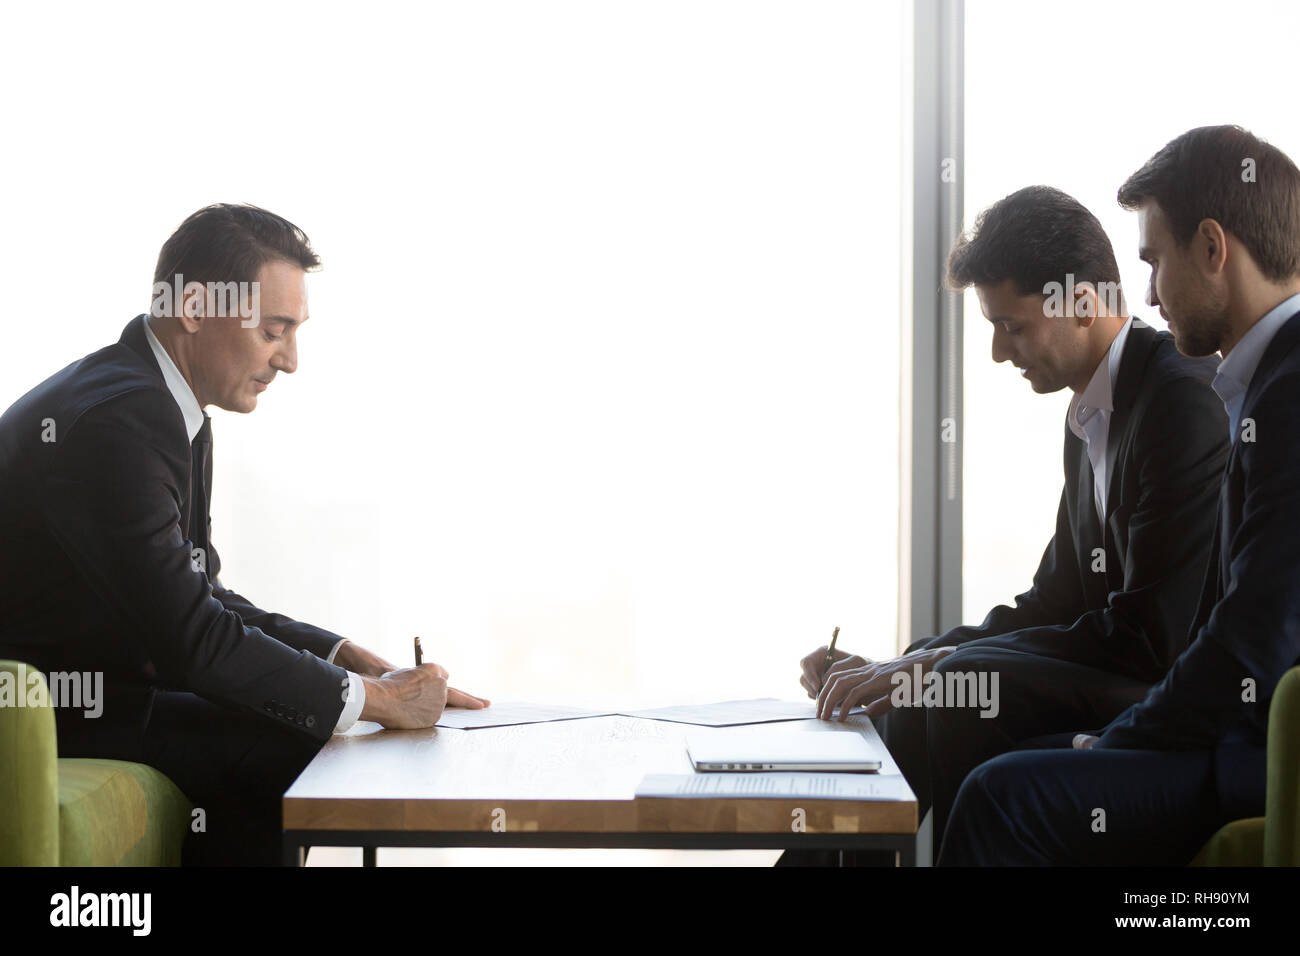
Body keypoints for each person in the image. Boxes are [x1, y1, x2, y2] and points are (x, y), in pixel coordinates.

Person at [0, 204, 487, 865]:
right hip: (56, 712)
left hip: (99, 694)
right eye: (272, 330)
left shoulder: (158, 401)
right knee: (292, 740)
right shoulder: (122, 418)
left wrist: (350, 660)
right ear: (195, 306)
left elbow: (201, 595)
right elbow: (191, 640)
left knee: (304, 718)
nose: (289, 360)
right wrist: (377, 701)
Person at [796, 186, 1228, 857]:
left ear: (1082, 304)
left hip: (1165, 698)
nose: (999, 352)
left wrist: (943, 669)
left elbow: (1151, 638)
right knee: (914, 702)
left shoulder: (1180, 405)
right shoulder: (1092, 414)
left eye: (1013, 326)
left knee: (946, 696)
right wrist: (908, 663)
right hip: (1119, 671)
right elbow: (1052, 604)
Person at [941, 126, 1300, 865]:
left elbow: (1249, 645)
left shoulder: (1284, 394)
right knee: (989, 752)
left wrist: (1115, 738)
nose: (1145, 294)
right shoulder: (1263, 386)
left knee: (1000, 794)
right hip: (1231, 733)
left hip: (1250, 755)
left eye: (1153, 261)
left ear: (1211, 249)